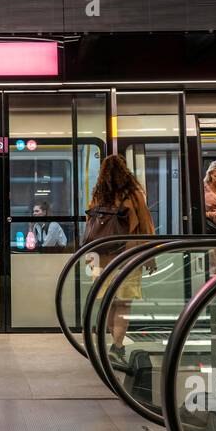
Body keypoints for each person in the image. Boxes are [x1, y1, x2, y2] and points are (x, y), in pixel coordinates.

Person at [85, 154, 155, 360]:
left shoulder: (98, 195)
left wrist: (90, 257)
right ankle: (117, 346)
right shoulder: (134, 195)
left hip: (102, 255)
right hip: (128, 255)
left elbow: (90, 228)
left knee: (108, 301)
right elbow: (145, 225)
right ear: (125, 172)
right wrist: (150, 257)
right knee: (124, 303)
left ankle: (111, 342)